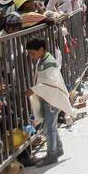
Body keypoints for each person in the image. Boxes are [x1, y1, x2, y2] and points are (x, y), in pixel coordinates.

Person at [26, 37, 74, 166]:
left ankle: (52, 155)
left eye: (32, 53)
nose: (31, 56)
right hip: (48, 98)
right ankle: (57, 149)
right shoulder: (42, 60)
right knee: (50, 126)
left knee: (49, 127)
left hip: (52, 100)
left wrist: (34, 89)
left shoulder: (48, 62)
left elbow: (52, 82)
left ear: (41, 49)